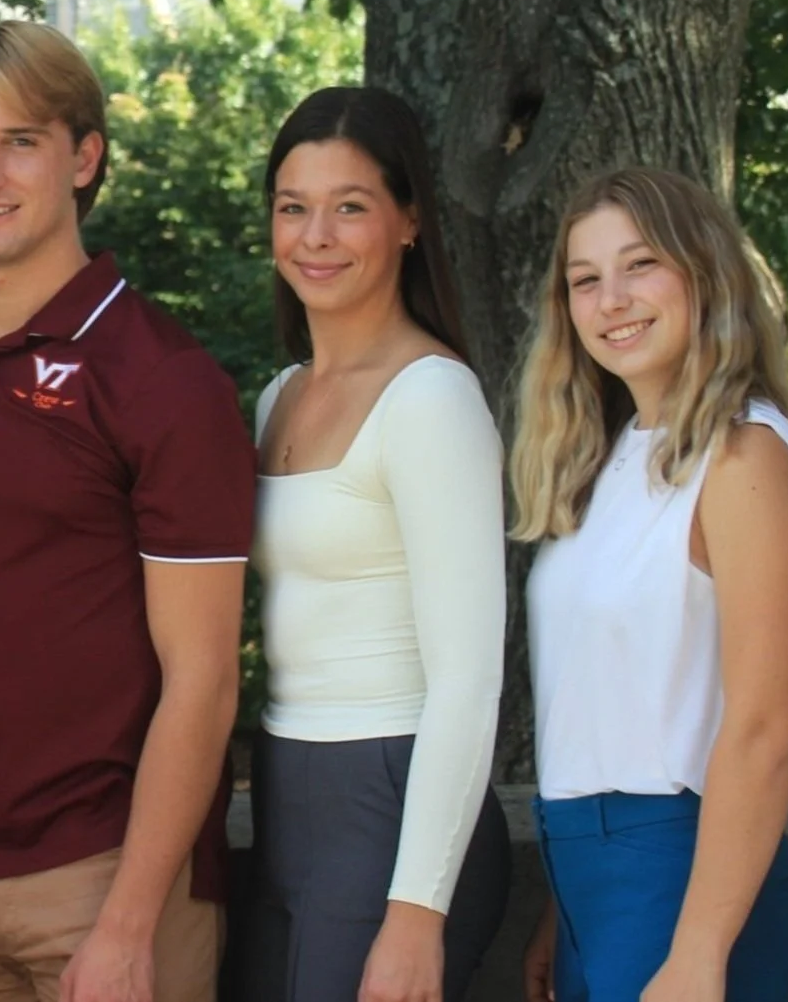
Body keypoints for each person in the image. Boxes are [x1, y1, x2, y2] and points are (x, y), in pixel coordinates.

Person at [0, 20, 255, 1002]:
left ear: (83, 157)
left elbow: (202, 680)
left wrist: (128, 922)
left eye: (20, 141)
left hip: (106, 877)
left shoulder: (160, 376)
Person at [512, 167, 788, 1002]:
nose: (611, 298)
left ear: (705, 270)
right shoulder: (618, 455)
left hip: (687, 891)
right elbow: (603, 704)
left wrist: (697, 951)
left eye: (640, 264)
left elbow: (763, 728)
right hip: (596, 885)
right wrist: (565, 905)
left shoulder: (745, 455)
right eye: (585, 279)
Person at [238, 86, 511, 1002]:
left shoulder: (432, 398)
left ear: (407, 222)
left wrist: (416, 911)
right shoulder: (279, 397)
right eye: (292, 207)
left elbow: (470, 678)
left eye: (349, 206)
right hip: (283, 786)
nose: (315, 235)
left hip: (392, 798)